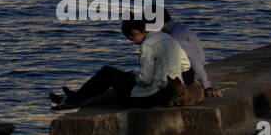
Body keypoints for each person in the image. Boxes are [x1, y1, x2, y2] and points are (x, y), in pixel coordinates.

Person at [52, 19, 191, 110]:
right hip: (169, 92)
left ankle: (71, 101)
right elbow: (186, 65)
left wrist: (134, 76)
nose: (132, 40)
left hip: (152, 97)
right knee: (116, 79)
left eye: (131, 37)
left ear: (135, 32)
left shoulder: (148, 45)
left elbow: (146, 80)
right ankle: (74, 97)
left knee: (108, 74)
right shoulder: (168, 38)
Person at [162, 10, 222, 98]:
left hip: (190, 77)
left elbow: (193, 59)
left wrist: (207, 86)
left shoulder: (175, 36)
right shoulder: (178, 27)